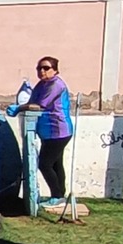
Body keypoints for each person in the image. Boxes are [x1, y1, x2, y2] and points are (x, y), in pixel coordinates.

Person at [12, 56, 75, 205]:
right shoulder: (41, 84)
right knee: (56, 164)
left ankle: (57, 195)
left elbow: (39, 105)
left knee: (45, 164)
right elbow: (32, 101)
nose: (42, 71)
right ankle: (60, 195)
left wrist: (19, 108)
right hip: (47, 131)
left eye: (46, 68)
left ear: (55, 70)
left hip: (59, 130)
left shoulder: (56, 85)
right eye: (39, 68)